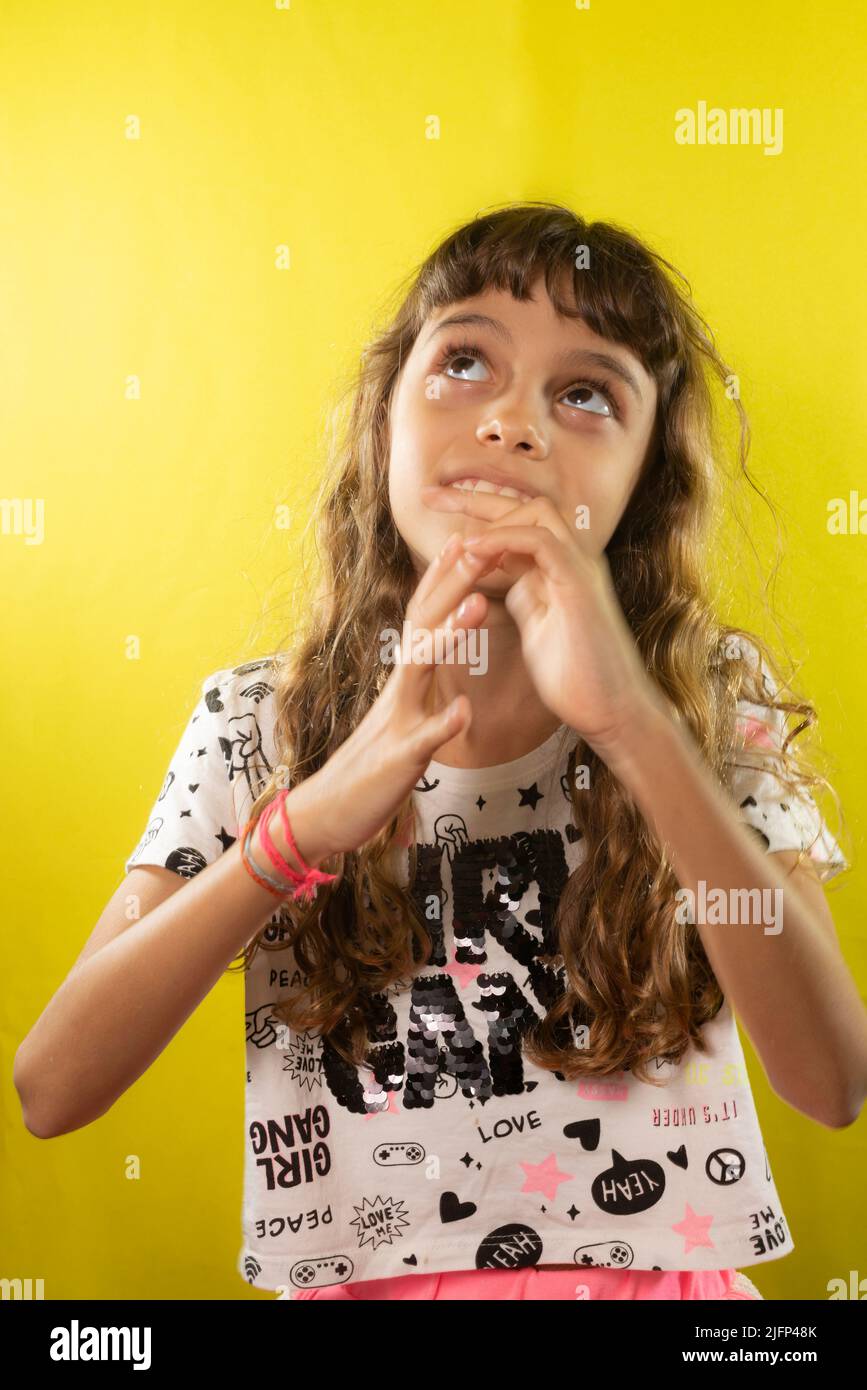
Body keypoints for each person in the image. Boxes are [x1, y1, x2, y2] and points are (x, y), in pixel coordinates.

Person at [15, 202, 863, 1304]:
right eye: (465, 361)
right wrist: (303, 828)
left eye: (585, 392)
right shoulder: (250, 729)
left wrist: (634, 730)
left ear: (644, 482)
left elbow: (833, 1078)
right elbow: (53, 1086)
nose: (514, 422)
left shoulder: (711, 708)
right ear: (384, 425)